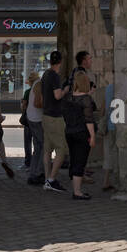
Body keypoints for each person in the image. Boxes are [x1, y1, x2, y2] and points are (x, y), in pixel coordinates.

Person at [62, 71, 98, 200]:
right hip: (82, 133)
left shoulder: (68, 97)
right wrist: (93, 136)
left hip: (69, 132)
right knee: (80, 161)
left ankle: (76, 189)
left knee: (74, 159)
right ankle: (77, 192)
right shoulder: (86, 99)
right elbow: (89, 119)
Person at [39, 51, 70, 193]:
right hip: (55, 117)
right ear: (60, 62)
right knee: (61, 149)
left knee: (47, 149)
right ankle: (51, 179)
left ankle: (47, 179)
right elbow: (57, 95)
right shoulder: (55, 76)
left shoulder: (45, 74)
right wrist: (65, 90)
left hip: (45, 115)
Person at [24, 73, 46, 185]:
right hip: (37, 119)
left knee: (38, 146)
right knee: (43, 146)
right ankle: (38, 173)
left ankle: (33, 173)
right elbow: (37, 103)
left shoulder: (35, 85)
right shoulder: (39, 84)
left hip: (32, 118)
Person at [100, 76, 117, 192]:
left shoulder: (109, 88)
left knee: (108, 153)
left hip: (109, 124)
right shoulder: (121, 89)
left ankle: (106, 181)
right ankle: (116, 181)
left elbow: (103, 108)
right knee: (116, 154)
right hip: (117, 125)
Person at [20, 72, 40, 171]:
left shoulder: (28, 92)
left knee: (27, 142)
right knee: (37, 143)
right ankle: (36, 164)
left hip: (28, 119)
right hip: (38, 119)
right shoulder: (39, 91)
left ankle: (28, 162)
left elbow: (23, 106)